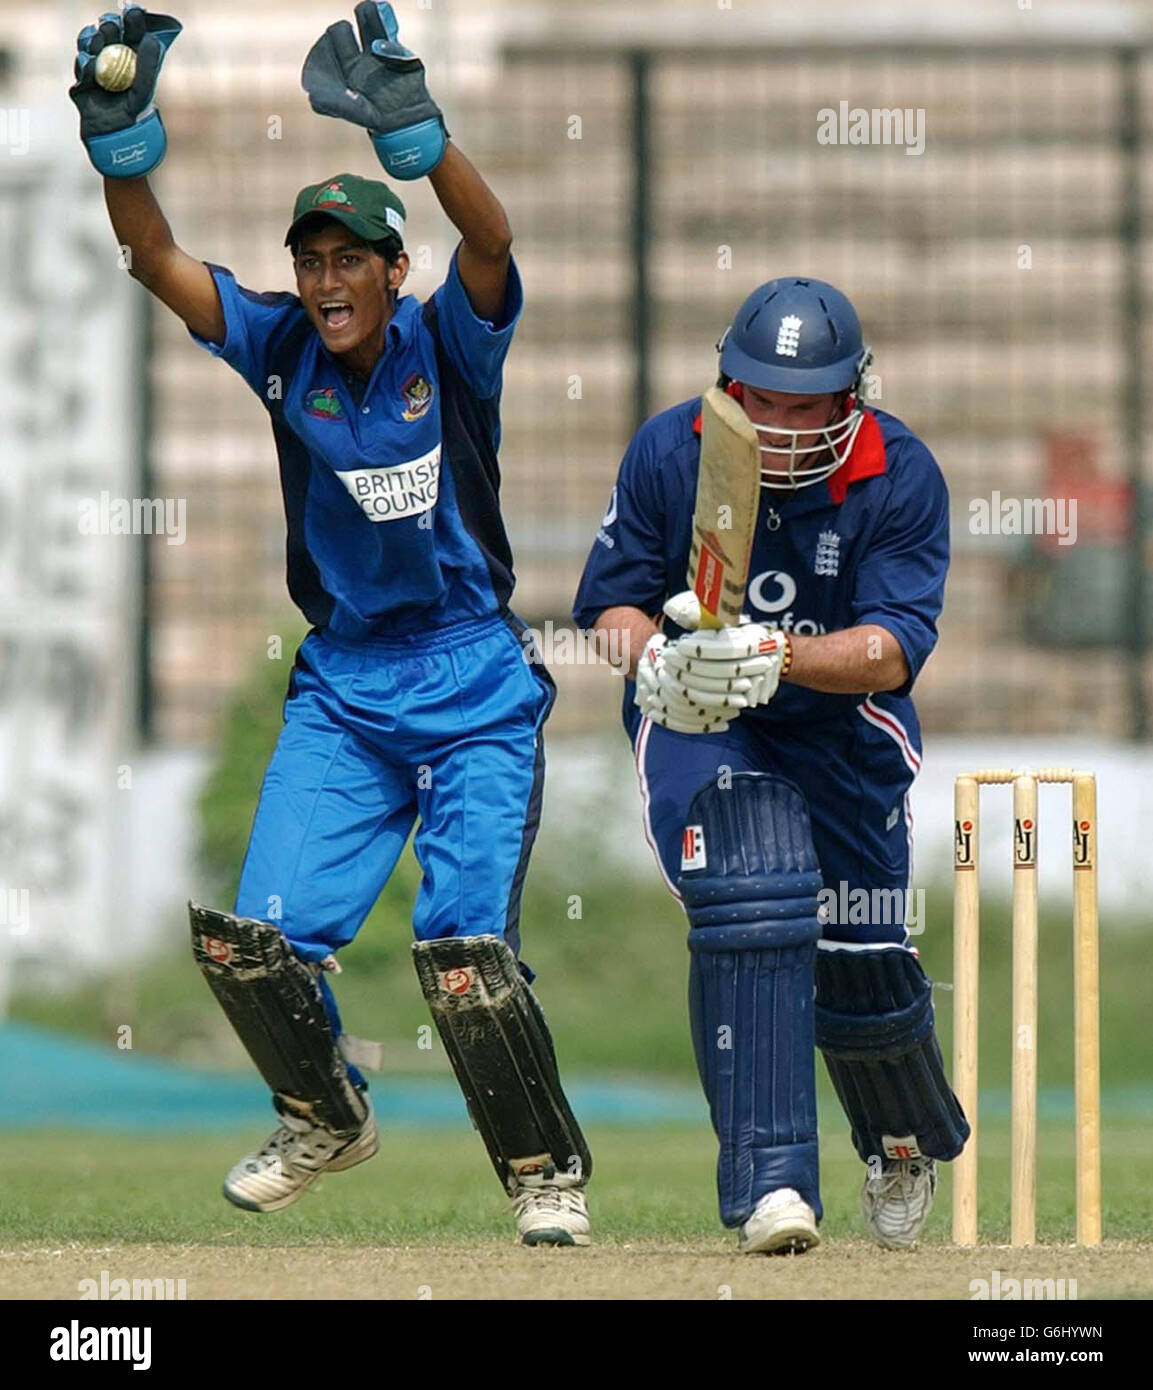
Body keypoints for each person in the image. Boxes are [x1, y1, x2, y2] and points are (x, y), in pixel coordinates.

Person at [72, 2, 590, 1247]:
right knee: (255, 946)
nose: (323, 281)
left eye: (347, 259)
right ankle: (325, 1113)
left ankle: (544, 1177)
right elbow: (155, 260)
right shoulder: (276, 345)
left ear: (389, 268)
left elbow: (494, 234)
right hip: (349, 687)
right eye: (309, 262)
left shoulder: (448, 344)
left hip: (471, 679)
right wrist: (120, 147)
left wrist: (419, 134)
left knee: (465, 949)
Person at [573, 276, 968, 1253]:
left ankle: (899, 1139)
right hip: (708, 719)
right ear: (728, 385)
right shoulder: (672, 450)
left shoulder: (899, 471)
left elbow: (890, 650)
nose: (783, 427)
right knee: (752, 892)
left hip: (844, 730)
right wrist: (658, 658)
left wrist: (771, 654)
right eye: (763, 403)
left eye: (806, 407)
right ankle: (773, 1186)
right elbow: (611, 608)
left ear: (851, 397)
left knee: (861, 955)